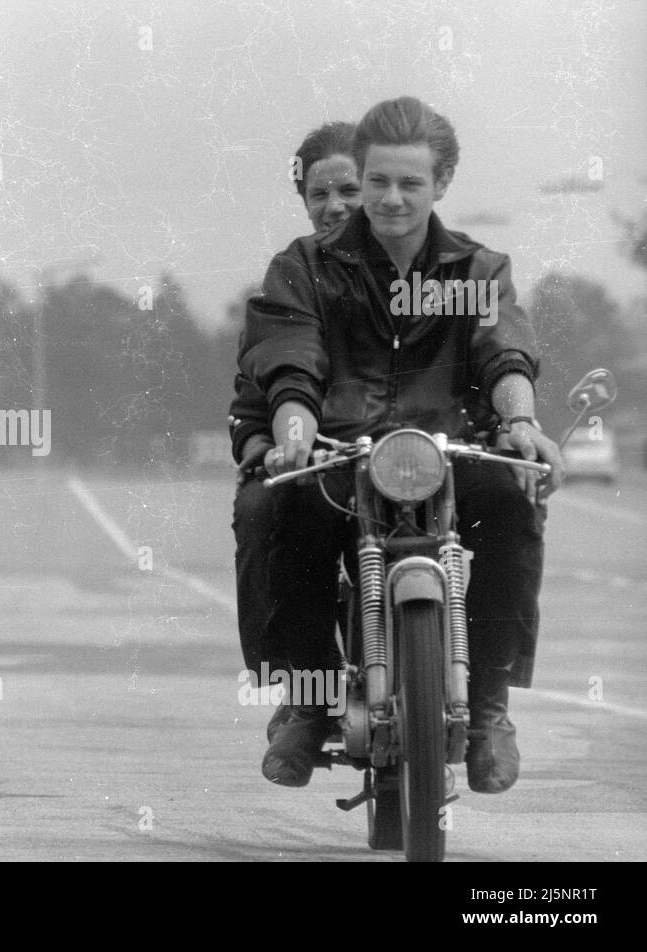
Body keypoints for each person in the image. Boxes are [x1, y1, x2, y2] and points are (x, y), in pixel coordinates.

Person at [238, 97, 563, 793]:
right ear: (362, 172)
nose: (389, 198)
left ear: (440, 184)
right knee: (279, 511)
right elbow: (292, 358)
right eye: (377, 180)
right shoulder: (304, 267)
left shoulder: (477, 270)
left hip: (448, 453)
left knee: (515, 501)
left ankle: (487, 714)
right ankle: (305, 699)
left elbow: (502, 349)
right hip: (338, 453)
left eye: (409, 184)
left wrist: (523, 424)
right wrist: (294, 438)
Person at [230, 121, 360, 742]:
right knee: (266, 512)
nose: (335, 206)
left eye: (350, 190)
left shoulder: (436, 272)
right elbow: (269, 384)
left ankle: (483, 695)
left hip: (407, 461)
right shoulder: (293, 273)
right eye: (319, 195)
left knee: (503, 503)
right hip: (312, 460)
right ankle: (308, 696)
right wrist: (275, 446)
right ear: (304, 202)